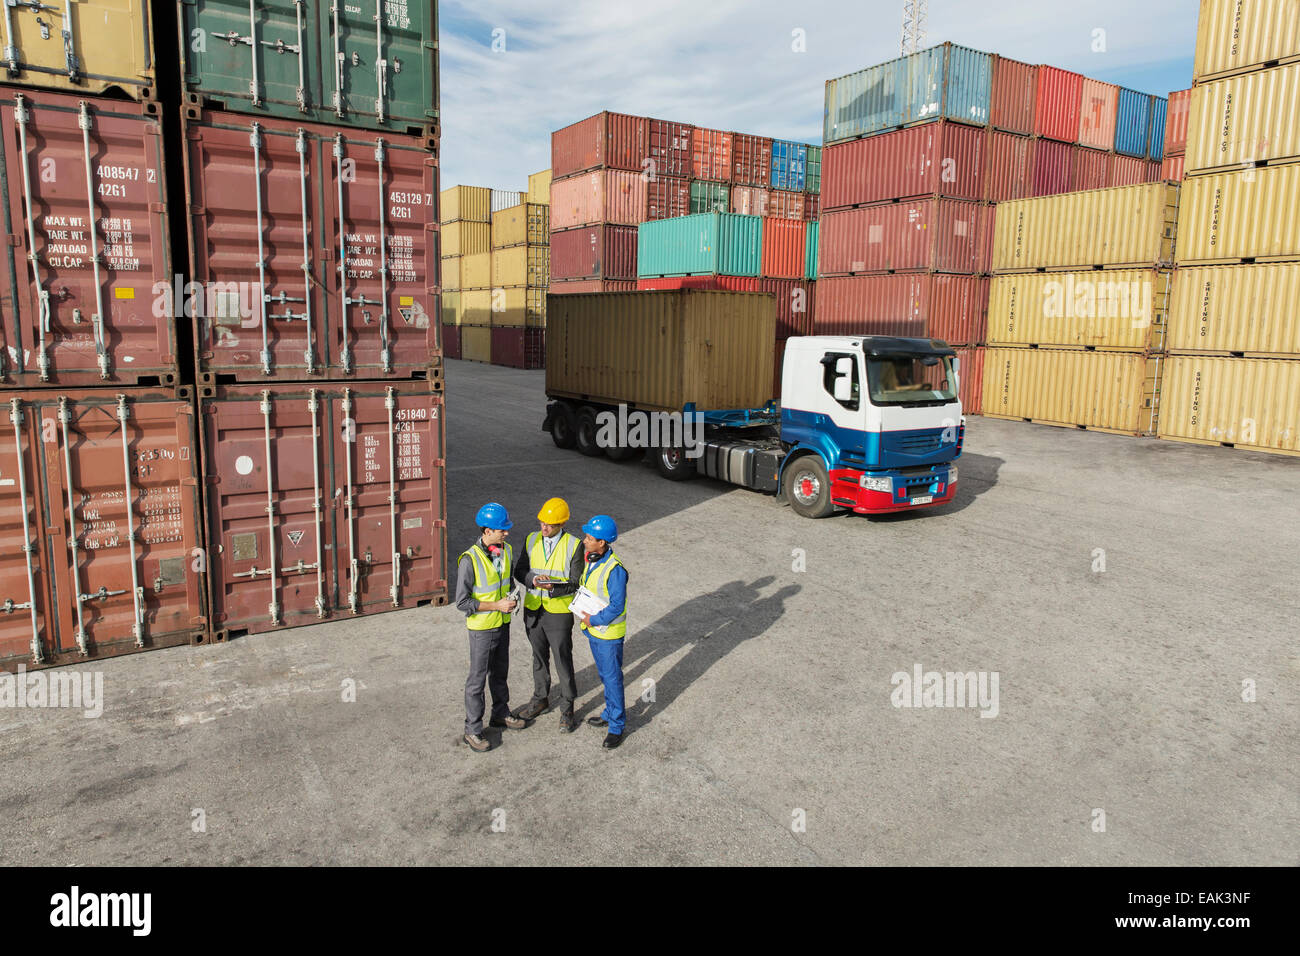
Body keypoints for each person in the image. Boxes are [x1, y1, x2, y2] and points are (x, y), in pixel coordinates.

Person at [456, 502, 528, 753]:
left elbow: (506, 582)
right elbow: (463, 602)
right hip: (482, 629)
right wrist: (496, 605)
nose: (506, 533)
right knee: (477, 681)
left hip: (502, 624)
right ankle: (472, 730)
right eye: (501, 530)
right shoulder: (469, 559)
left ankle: (500, 713)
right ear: (486, 531)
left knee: (500, 673)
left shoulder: (505, 550)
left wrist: (512, 597)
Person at [512, 497, 586, 733]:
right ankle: (540, 699)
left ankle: (567, 709)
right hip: (534, 609)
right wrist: (532, 580)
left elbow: (576, 582)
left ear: (561, 524)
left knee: (563, 661)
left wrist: (552, 588)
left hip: (558, 613)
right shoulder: (531, 539)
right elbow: (519, 570)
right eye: (542, 522)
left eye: (550, 525)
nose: (544, 528)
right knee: (538, 658)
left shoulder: (574, 545)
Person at [575, 515, 629, 750]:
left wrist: (593, 619)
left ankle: (616, 726)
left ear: (603, 543)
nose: (585, 541)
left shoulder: (615, 570)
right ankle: (609, 712)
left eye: (589, 538)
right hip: (595, 631)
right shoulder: (593, 559)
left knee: (612, 678)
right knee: (605, 676)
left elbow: (617, 606)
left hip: (607, 634)